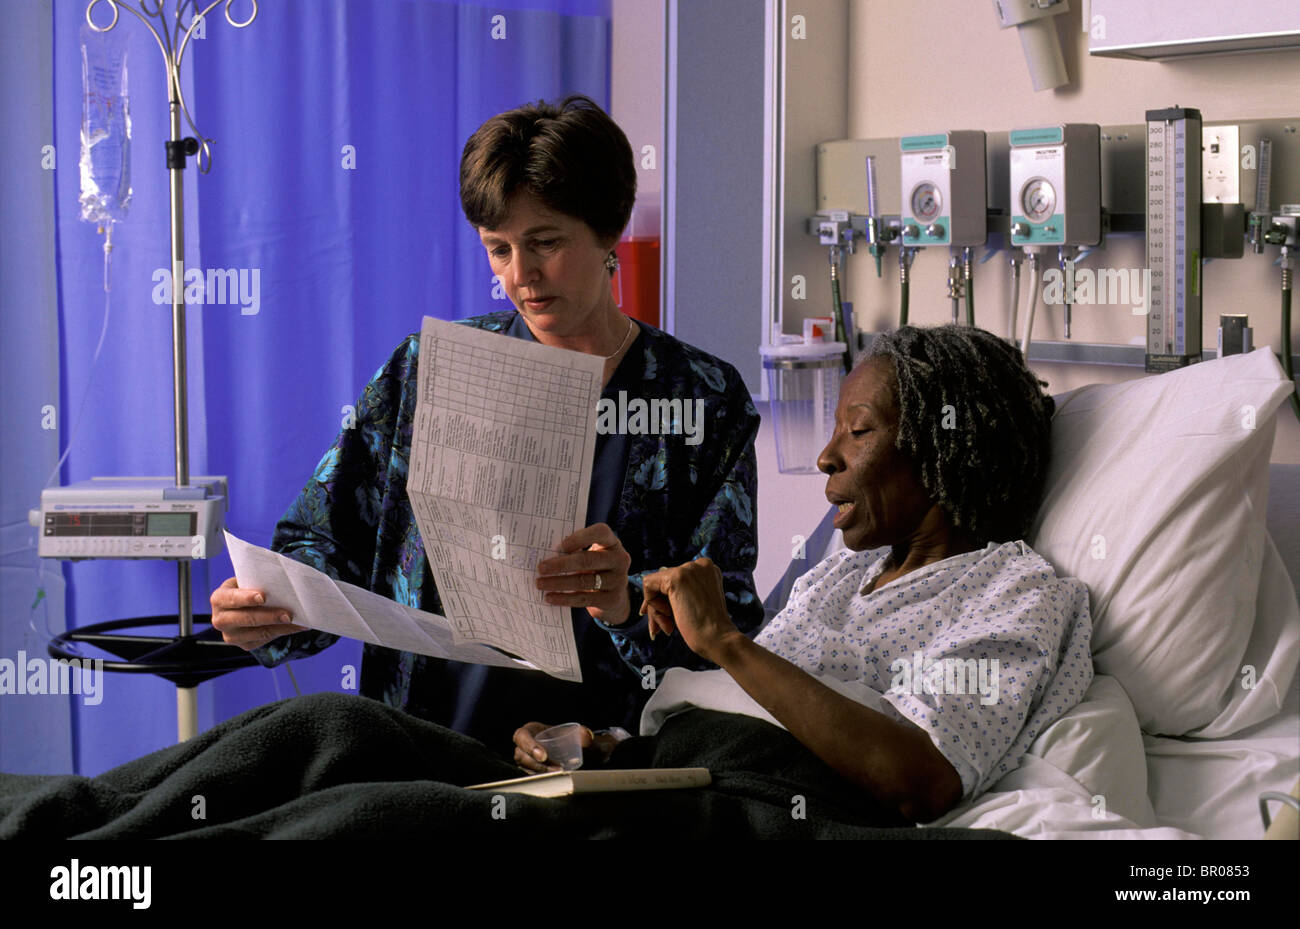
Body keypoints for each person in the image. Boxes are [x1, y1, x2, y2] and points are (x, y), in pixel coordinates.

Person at [209, 95, 763, 755]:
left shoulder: (701, 399)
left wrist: (625, 600)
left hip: (603, 768)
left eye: (545, 243)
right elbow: (325, 542)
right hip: (421, 749)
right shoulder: (428, 371)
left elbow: (728, 625)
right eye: (497, 249)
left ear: (608, 229)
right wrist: (268, 608)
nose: (519, 276)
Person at [514, 324, 1094, 822]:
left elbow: (923, 780)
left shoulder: (1017, 593)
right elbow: (738, 702)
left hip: (749, 812)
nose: (826, 456)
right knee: (429, 763)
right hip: (668, 781)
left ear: (945, 448)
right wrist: (597, 751)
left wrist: (727, 643)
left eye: (858, 431)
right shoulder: (838, 576)